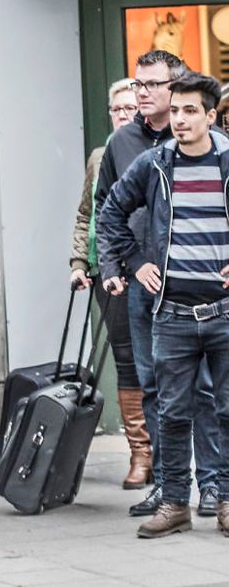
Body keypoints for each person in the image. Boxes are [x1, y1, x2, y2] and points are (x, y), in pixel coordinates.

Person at [100, 73, 229, 539]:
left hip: (224, 311)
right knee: (172, 414)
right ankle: (175, 503)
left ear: (210, 116)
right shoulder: (155, 163)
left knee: (226, 411)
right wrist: (135, 262)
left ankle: (226, 500)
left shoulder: (228, 161)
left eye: (190, 111)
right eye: (174, 111)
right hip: (171, 312)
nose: (179, 120)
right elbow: (110, 212)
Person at [70, 79, 149, 489]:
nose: (123, 115)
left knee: (165, 361)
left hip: (151, 269)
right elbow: (88, 213)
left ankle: (170, 455)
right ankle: (140, 454)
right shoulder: (100, 157)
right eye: (117, 109)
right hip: (109, 272)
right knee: (126, 359)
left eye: (130, 108)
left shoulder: (156, 152)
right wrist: (79, 262)